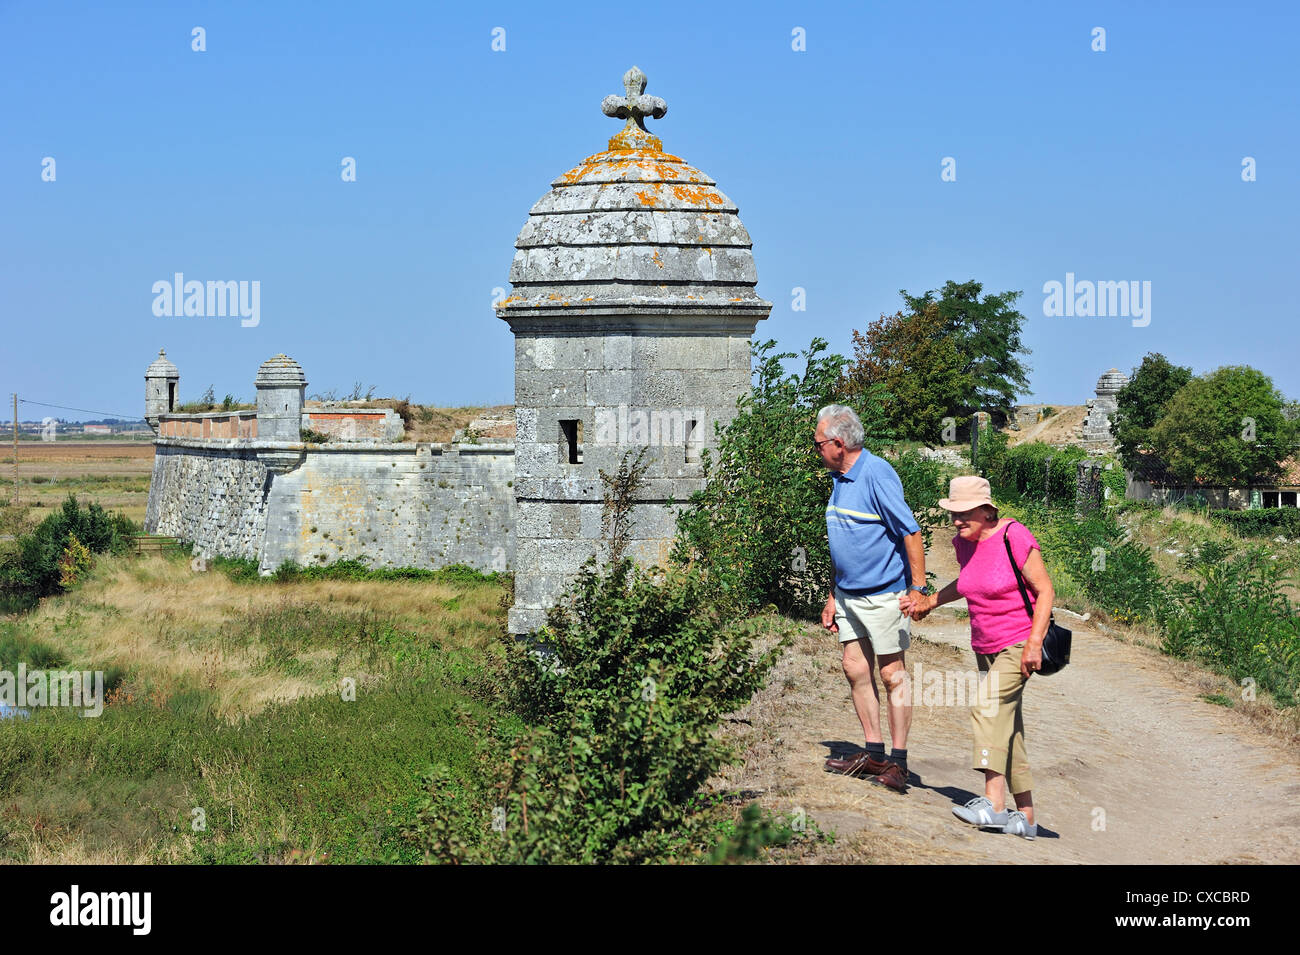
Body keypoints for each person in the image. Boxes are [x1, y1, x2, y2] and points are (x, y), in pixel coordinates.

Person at [900, 475, 1054, 839]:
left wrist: (1034, 643)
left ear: (987, 510)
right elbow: (968, 582)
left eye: (964, 513)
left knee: (986, 709)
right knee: (1006, 726)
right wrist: (929, 602)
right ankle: (1027, 817)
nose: (956, 520)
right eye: (953, 513)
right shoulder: (963, 543)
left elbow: (1045, 590)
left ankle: (994, 806)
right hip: (985, 646)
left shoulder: (1013, 535)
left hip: (1018, 641)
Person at [815, 405, 928, 792]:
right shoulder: (839, 477)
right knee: (854, 668)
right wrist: (832, 596)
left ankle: (898, 763)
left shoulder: (876, 473)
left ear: (838, 443)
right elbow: (843, 543)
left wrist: (918, 588)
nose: (816, 450)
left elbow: (910, 532)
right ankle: (874, 751)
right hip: (848, 596)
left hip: (885, 594)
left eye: (818, 444)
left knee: (891, 673)